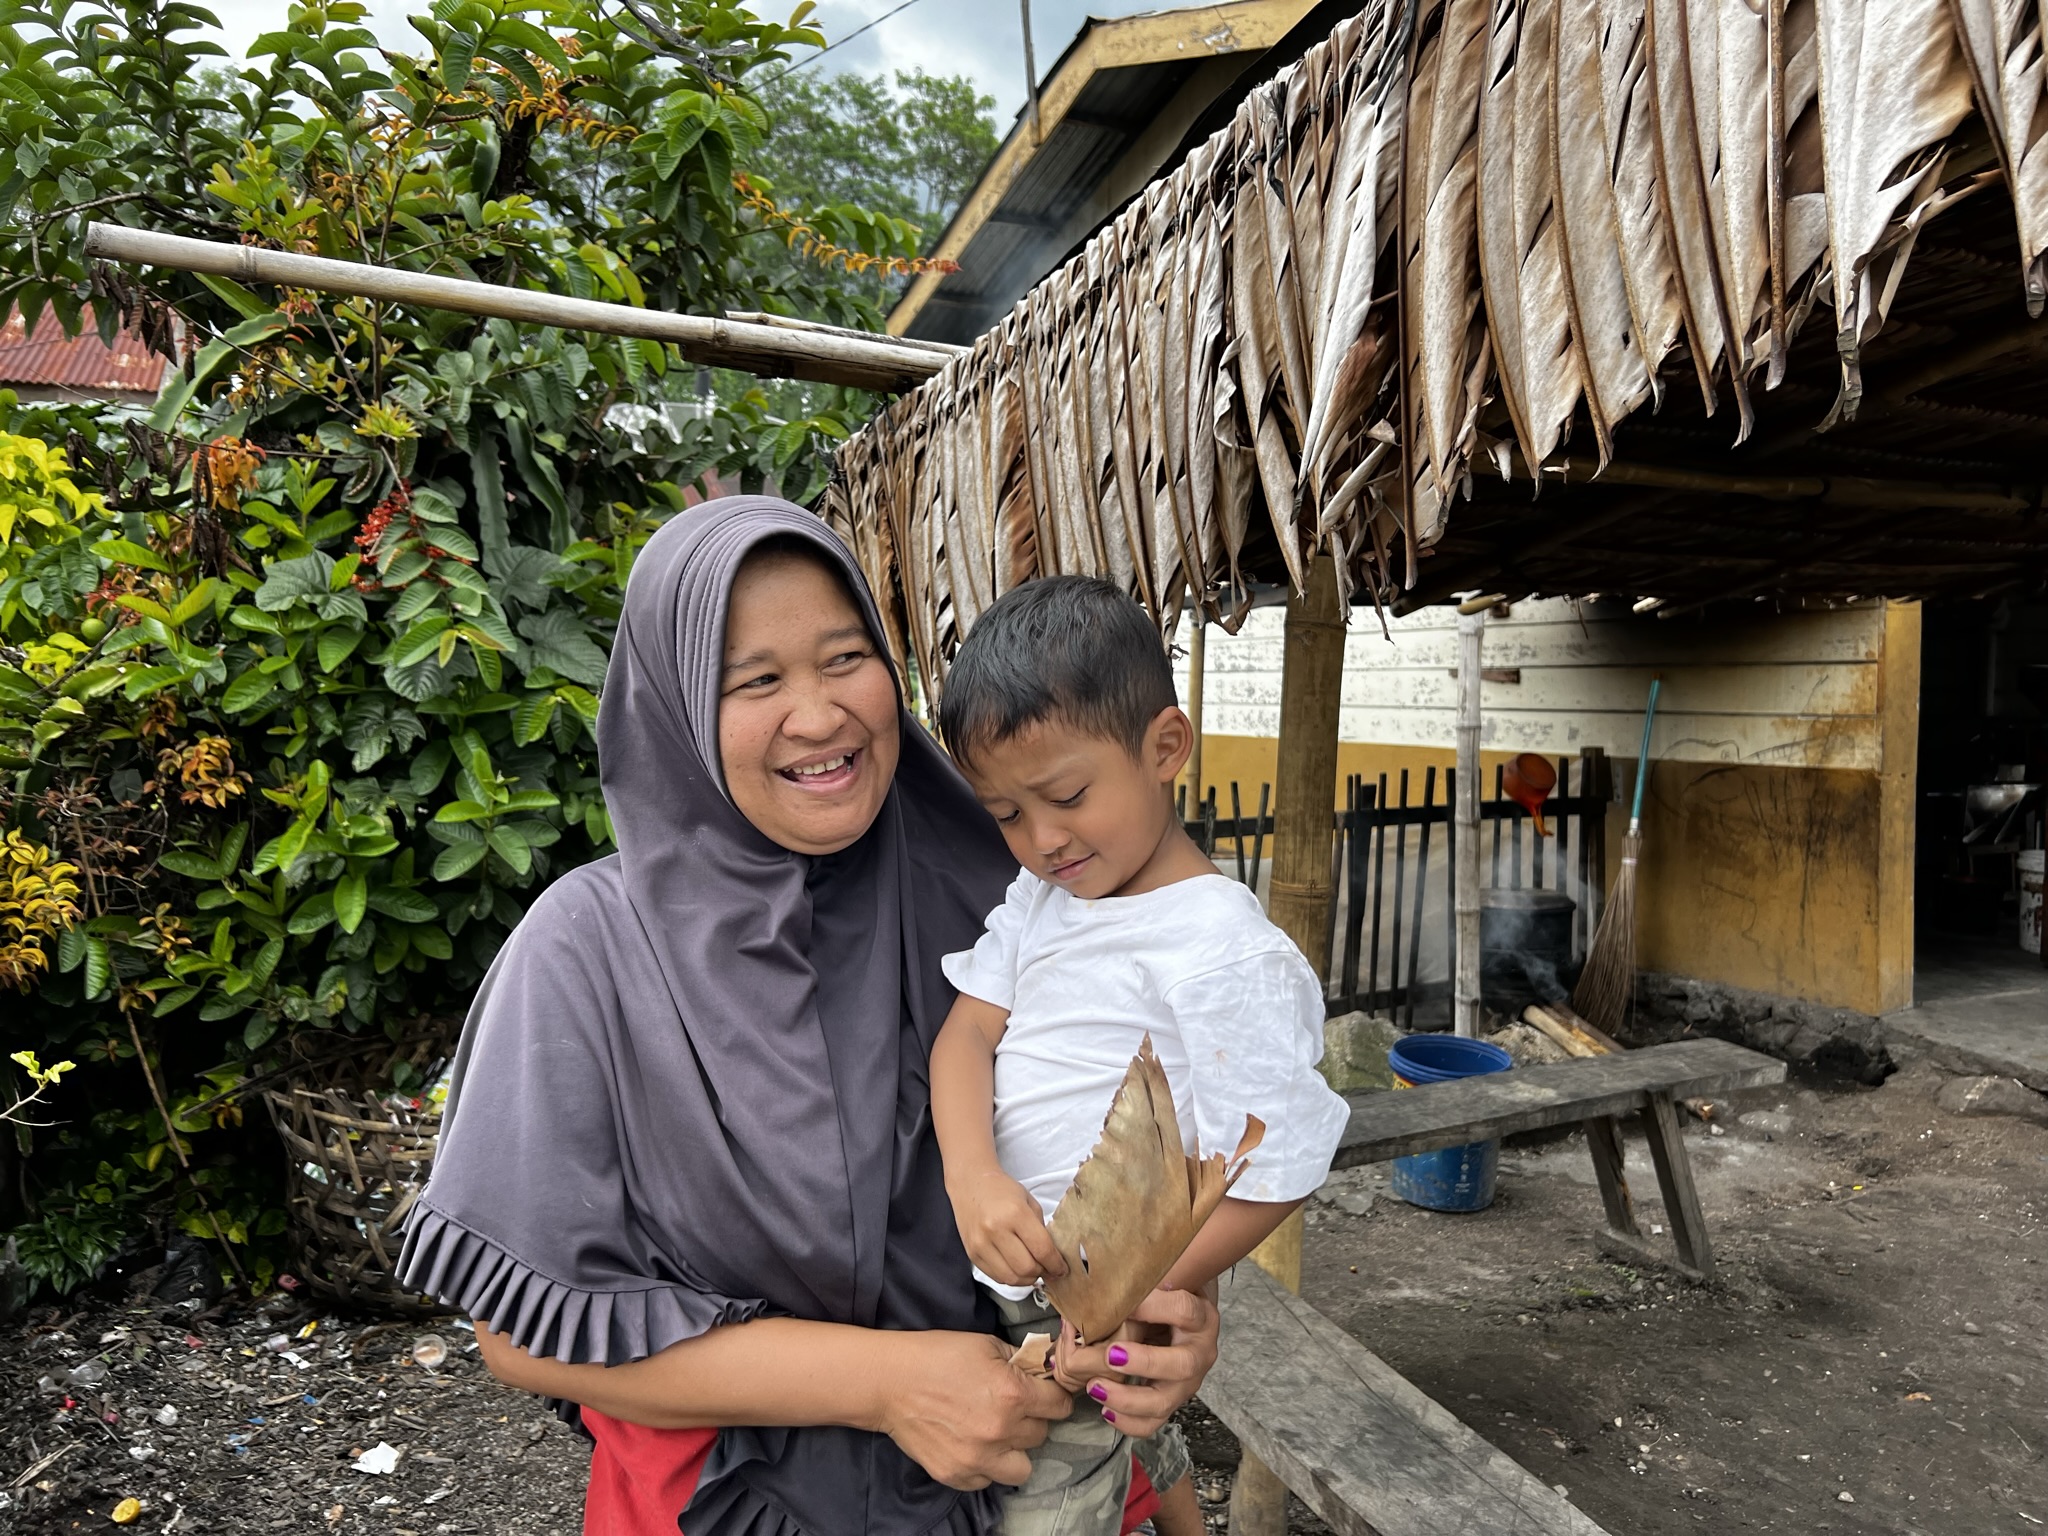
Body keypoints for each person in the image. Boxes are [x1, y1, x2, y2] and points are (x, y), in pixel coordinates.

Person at [396, 499, 1221, 1536]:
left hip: (1017, 1480)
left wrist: (1175, 1323)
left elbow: (1135, 1163)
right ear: (679, 711)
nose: (820, 714)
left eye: (844, 659)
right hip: (727, 1507)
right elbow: (523, 1332)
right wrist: (884, 1384)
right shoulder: (587, 952)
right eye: (756, 681)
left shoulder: (1008, 903)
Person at [929, 576, 1353, 1536]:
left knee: (1043, 1499)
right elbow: (966, 1033)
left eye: (1067, 795)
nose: (1040, 840)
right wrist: (971, 1175)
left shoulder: (1222, 953)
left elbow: (1278, 1162)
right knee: (1129, 1452)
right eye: (1004, 813)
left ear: (1166, 748)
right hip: (1004, 1268)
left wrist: (1127, 1299)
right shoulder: (1045, 903)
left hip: (1079, 1310)